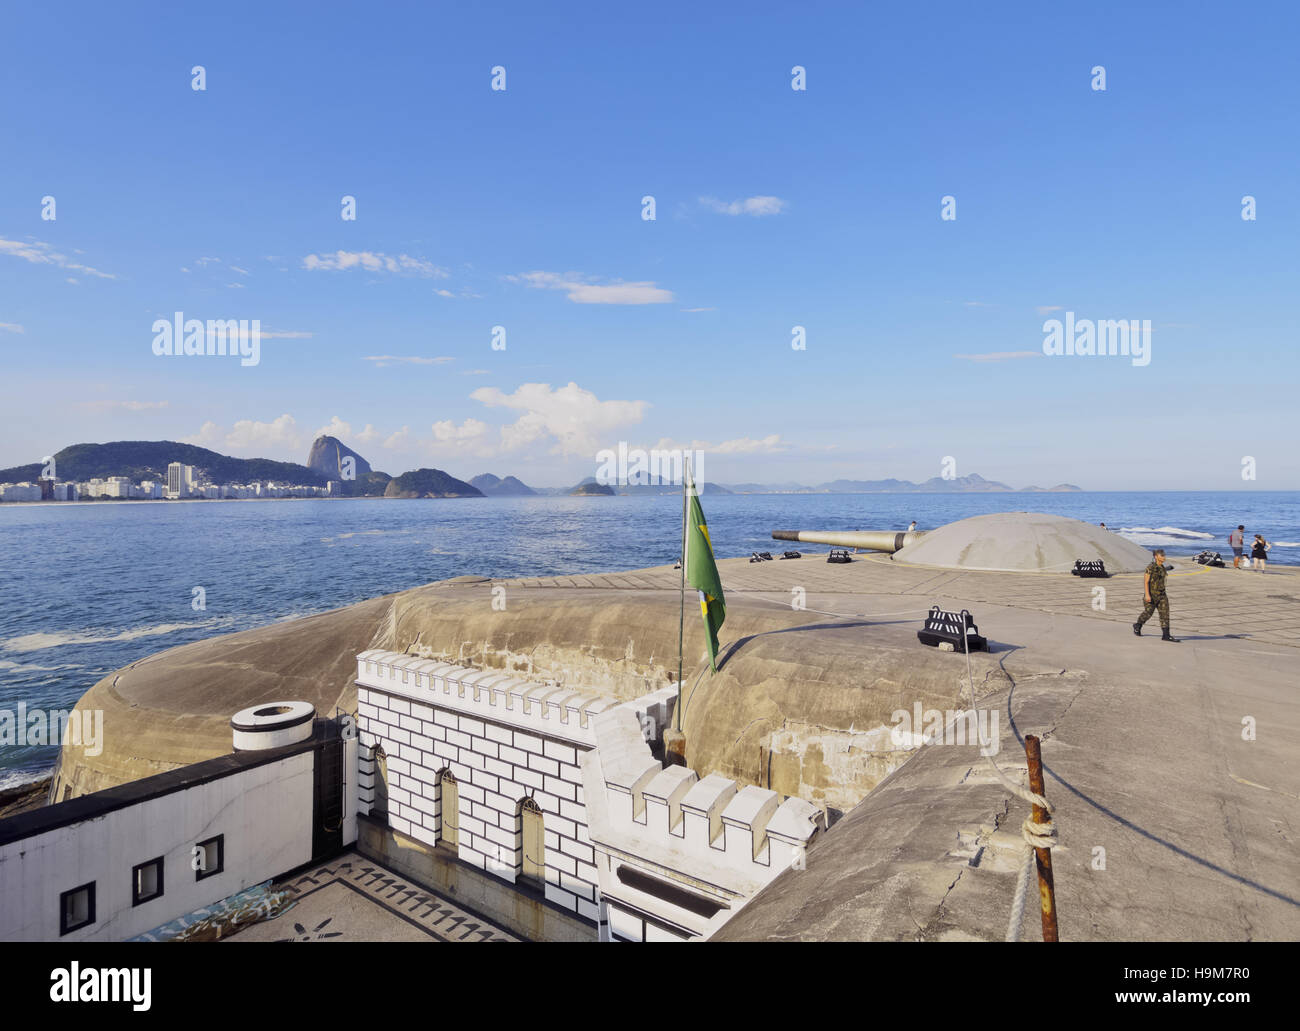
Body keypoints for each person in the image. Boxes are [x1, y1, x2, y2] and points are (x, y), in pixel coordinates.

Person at [1133, 548, 1179, 642]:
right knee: (1148, 613)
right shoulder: (1151, 567)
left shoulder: (1162, 567)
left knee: (1165, 614)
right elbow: (1146, 582)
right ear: (1156, 557)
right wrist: (1147, 595)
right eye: (1162, 555)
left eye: (1164, 555)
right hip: (1151, 595)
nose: (1164, 557)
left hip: (1162, 595)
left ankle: (1166, 635)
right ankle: (1138, 625)